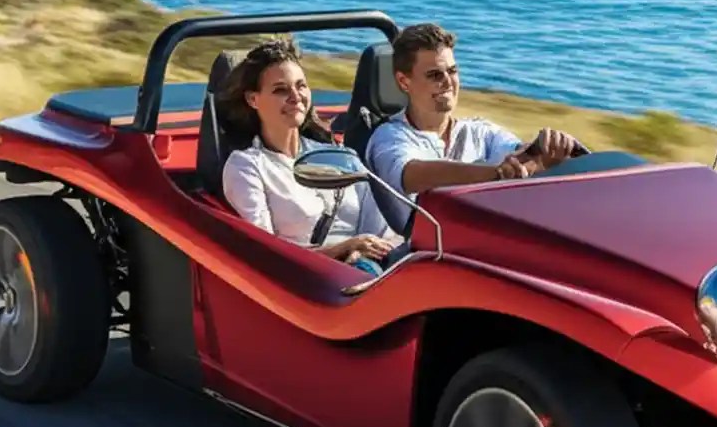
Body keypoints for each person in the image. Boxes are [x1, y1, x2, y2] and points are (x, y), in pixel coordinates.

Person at [364, 23, 582, 232]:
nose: (448, 82)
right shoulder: (388, 137)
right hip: (410, 255)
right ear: (404, 82)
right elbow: (414, 175)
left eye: (452, 71)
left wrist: (543, 157)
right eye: (435, 75)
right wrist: (495, 174)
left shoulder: (479, 132)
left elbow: (516, 152)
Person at [218, 39, 402, 275]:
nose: (295, 97)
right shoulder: (248, 166)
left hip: (370, 268)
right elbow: (266, 256)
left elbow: (379, 226)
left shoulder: (339, 156)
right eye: (280, 90)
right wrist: (342, 249)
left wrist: (364, 252)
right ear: (253, 99)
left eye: (301, 86)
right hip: (304, 281)